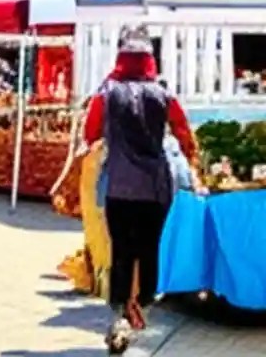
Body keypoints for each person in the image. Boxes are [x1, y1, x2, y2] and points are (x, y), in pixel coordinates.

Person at [83, 26, 202, 353]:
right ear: (150, 60)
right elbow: (184, 131)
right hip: (155, 186)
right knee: (149, 248)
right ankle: (143, 303)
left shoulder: (107, 92)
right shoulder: (164, 92)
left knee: (122, 249)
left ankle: (122, 310)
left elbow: (90, 132)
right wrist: (191, 156)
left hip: (119, 186)